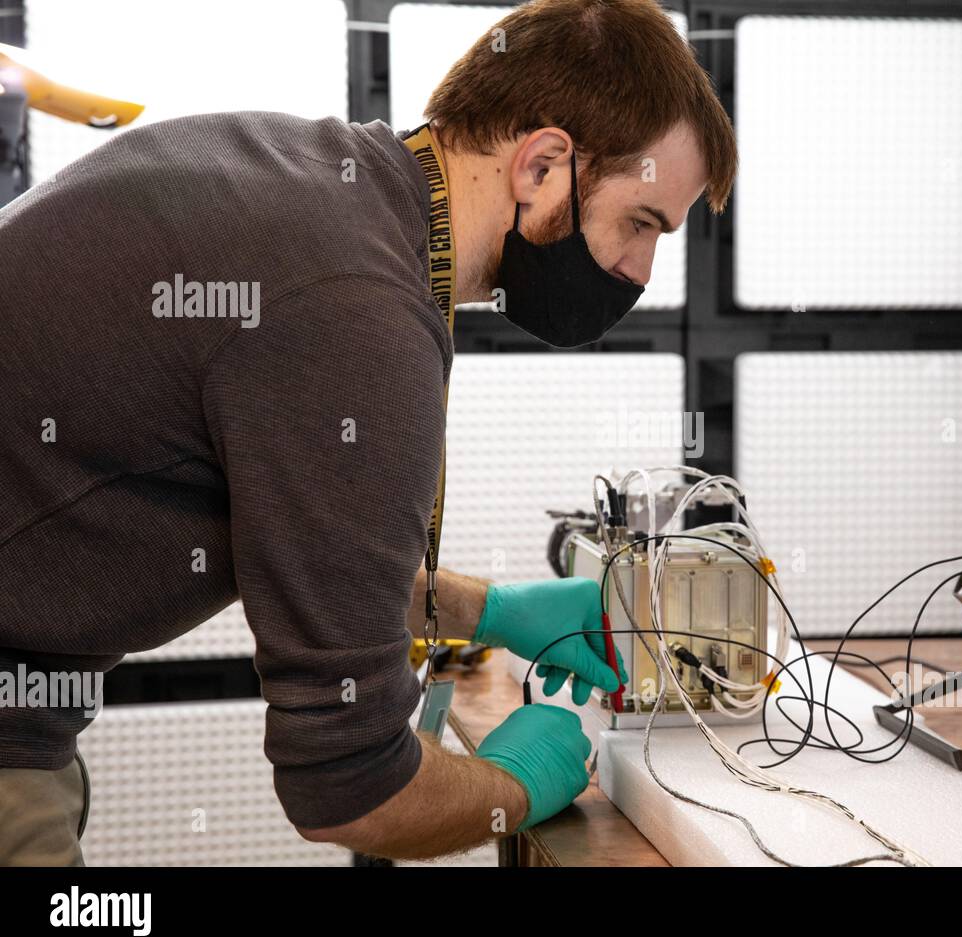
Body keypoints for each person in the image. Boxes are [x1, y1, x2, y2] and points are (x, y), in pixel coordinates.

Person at [0, 0, 737, 864]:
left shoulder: (325, 191)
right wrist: (515, 787)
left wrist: (491, 613)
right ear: (542, 166)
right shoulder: (356, 311)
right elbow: (349, 790)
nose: (641, 271)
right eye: (642, 223)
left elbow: (308, 552)